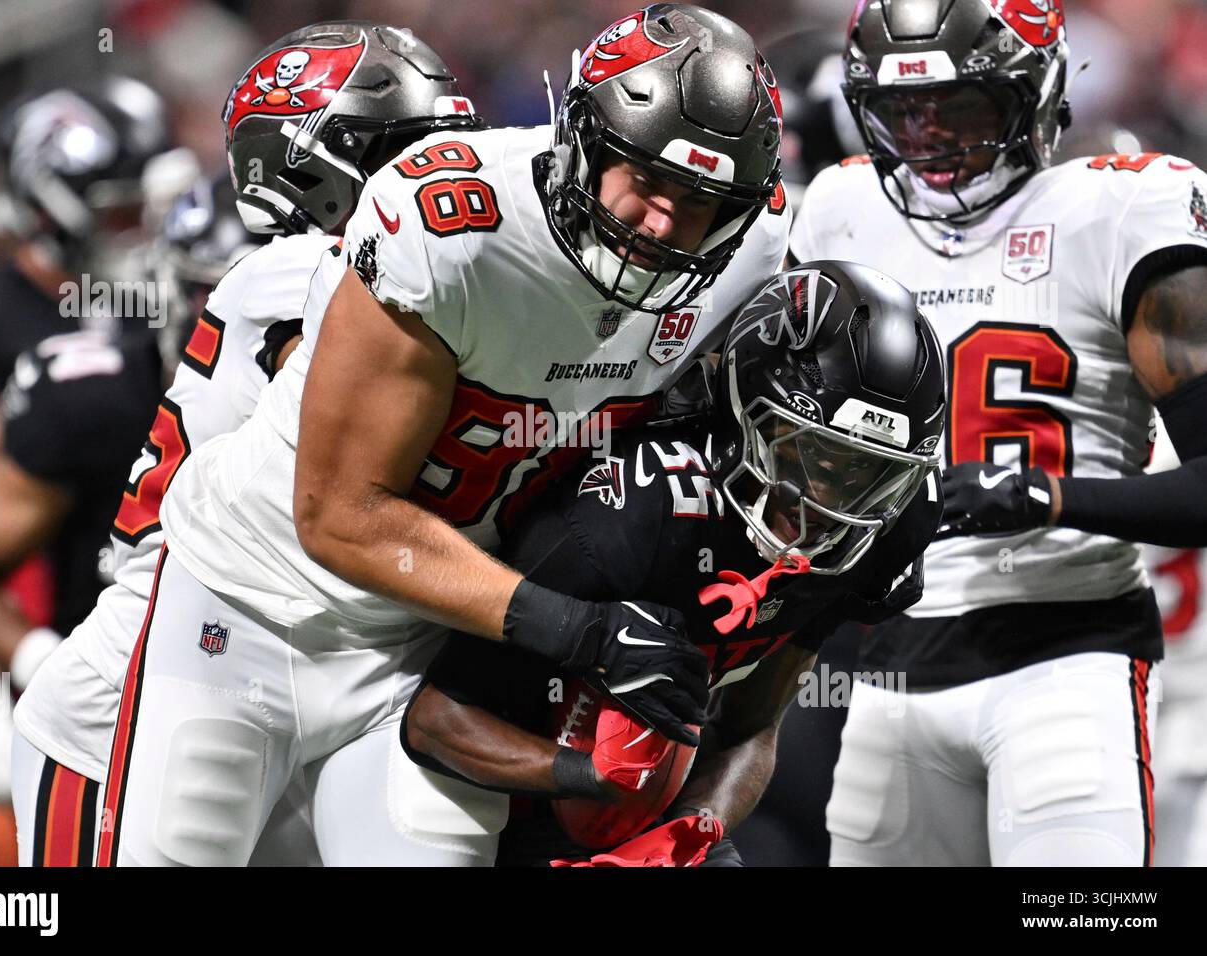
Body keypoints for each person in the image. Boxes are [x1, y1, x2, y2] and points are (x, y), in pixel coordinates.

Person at [100, 4, 789, 867]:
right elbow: (342, 513)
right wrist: (581, 629)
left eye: (699, 204)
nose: (661, 224)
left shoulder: (752, 251)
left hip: (434, 644)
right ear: (581, 137)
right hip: (255, 605)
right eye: (647, 181)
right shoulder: (453, 224)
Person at [8, 21, 481, 866]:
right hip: (138, 691)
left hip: (301, 674)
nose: (444, 169)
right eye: (412, 147)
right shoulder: (299, 279)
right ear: (314, 171)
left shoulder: (390, 279)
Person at [791, 0, 1207, 865]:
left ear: (1036, 95)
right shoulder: (840, 209)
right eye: (903, 111)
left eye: (961, 107)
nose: (930, 137)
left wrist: (1047, 496)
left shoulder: (1125, 211)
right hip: (885, 669)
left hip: (1065, 657)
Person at [399, 261, 946, 866]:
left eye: (865, 471)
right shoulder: (638, 507)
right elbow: (435, 722)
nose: (830, 503)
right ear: (746, 409)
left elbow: (753, 731)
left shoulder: (885, 531)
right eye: (811, 453)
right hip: (493, 781)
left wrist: (688, 834)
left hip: (654, 800)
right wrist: (594, 776)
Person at [0, 75, 187, 865]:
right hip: (20, 618)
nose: (146, 232)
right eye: (123, 211)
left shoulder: (172, 301)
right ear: (46, 210)